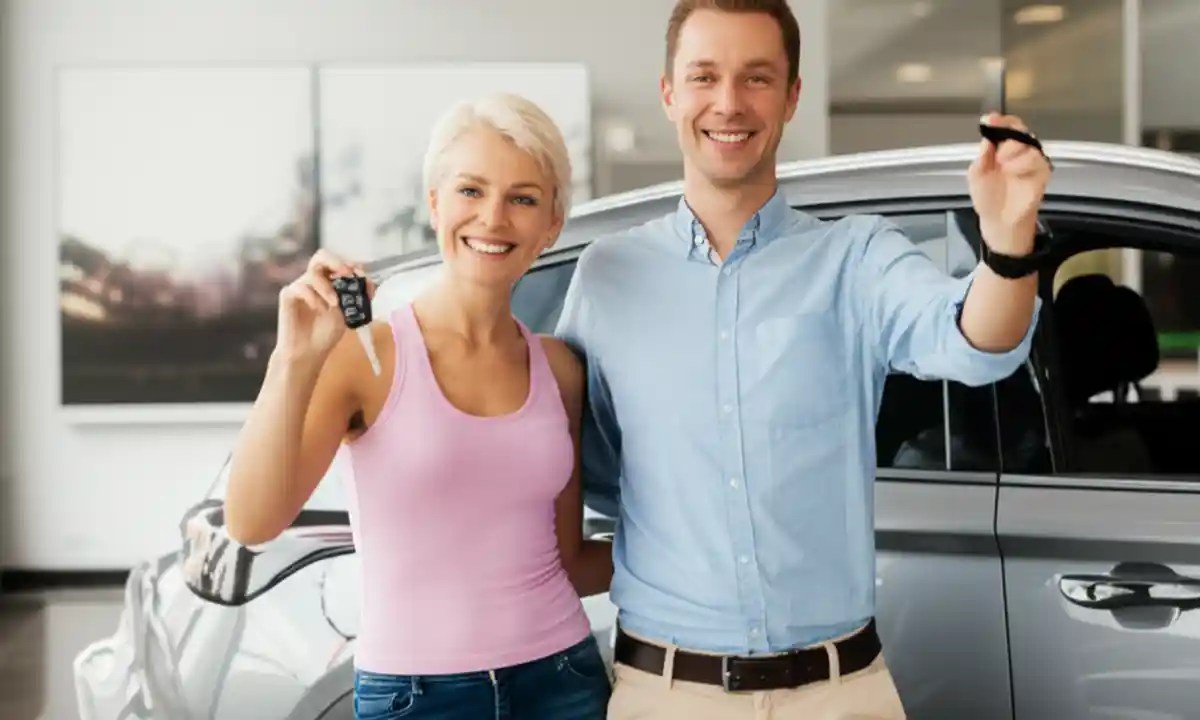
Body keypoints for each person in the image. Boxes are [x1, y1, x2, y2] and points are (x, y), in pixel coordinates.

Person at [555, 1, 1052, 717]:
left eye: (757, 78)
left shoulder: (856, 258)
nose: (729, 103)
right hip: (664, 697)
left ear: (791, 97)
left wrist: (1008, 247)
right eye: (704, 76)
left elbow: (974, 345)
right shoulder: (607, 278)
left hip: (839, 695)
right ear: (668, 92)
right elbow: (579, 471)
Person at [223, 92, 613, 720]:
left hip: (563, 680)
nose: (493, 218)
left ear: (552, 224)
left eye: (523, 198)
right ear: (434, 203)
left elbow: (568, 561)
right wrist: (291, 361)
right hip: (416, 697)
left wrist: (708, 555)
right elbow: (250, 522)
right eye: (470, 191)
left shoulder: (559, 369)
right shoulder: (364, 357)